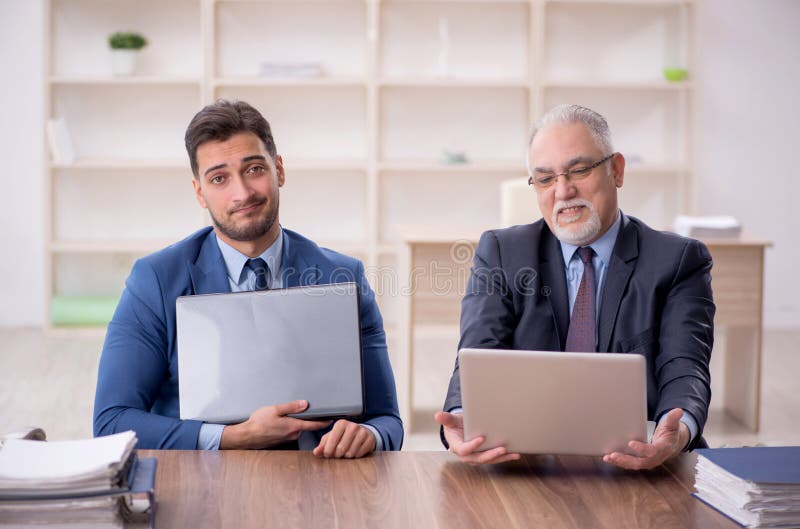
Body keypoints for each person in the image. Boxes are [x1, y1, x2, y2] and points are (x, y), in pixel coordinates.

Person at [94, 99, 403, 456]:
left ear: (279, 170)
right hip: (203, 485)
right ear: (200, 192)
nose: (242, 193)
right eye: (219, 178)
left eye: (254, 169)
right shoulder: (156, 280)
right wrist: (233, 438)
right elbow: (111, 422)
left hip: (319, 482)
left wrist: (369, 436)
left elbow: (387, 420)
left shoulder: (343, 277)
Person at [435, 104, 714, 469]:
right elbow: (477, 350)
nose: (563, 192)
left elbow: (685, 366)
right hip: (526, 461)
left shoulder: (678, 261)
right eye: (546, 178)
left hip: (643, 463)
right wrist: (463, 414)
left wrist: (674, 433)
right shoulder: (502, 253)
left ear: (616, 170)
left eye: (579, 170)